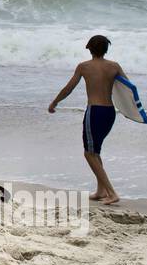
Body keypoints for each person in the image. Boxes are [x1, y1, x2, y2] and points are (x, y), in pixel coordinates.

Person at [47, 35, 125, 204]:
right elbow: (128, 90)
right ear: (106, 49)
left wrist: (55, 102)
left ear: (89, 48)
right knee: (95, 151)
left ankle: (112, 193)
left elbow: (69, 88)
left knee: (89, 153)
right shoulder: (115, 66)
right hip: (110, 113)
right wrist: (133, 112)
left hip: (94, 112)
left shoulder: (84, 67)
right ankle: (101, 191)